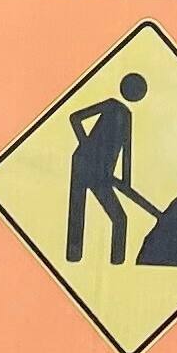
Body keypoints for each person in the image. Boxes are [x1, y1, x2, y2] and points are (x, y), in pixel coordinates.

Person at [64, 70, 147, 265]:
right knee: (77, 210)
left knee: (120, 219)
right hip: (82, 163)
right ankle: (73, 257)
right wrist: (86, 146)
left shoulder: (127, 116)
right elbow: (76, 118)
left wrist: (125, 182)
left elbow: (127, 151)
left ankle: (117, 263)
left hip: (103, 172)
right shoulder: (111, 105)